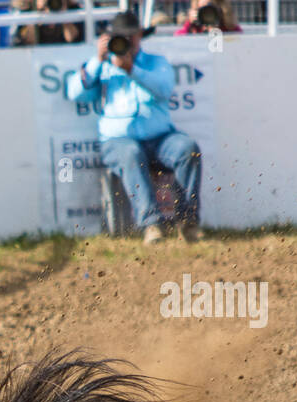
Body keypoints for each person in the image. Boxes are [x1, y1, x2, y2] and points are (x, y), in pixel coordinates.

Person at [64, 10, 203, 245]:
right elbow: (75, 93)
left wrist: (132, 70)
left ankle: (187, 222)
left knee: (187, 149)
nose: (127, 41)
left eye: (131, 35)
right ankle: (151, 225)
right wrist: (97, 60)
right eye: (121, 36)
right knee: (131, 153)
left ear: (140, 35)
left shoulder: (155, 63)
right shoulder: (101, 66)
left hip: (161, 138)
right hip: (118, 141)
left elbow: (164, 89)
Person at [12, 0, 84, 47]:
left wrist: (64, 15)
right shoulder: (27, 11)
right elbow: (28, 43)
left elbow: (72, 39)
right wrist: (37, 14)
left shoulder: (74, 10)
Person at [174, 0, 241, 35]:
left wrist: (215, 30)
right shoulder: (193, 28)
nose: (208, 15)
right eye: (204, 9)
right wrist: (190, 24)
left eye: (211, 10)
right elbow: (178, 38)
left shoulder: (230, 29)